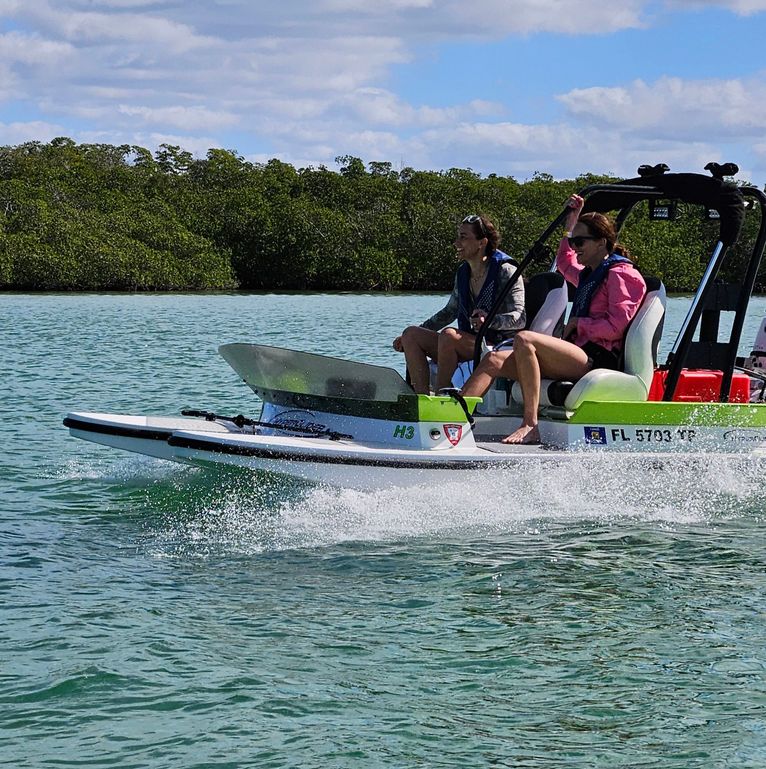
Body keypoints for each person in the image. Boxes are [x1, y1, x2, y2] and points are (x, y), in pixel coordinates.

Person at [460, 194, 647, 444]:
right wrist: (569, 227)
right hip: (576, 352)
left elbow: (616, 327)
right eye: (573, 241)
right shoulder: (590, 274)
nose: (575, 247)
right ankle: (454, 422)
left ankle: (530, 424)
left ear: (601, 243)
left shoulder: (622, 274)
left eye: (580, 241)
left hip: (598, 358)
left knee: (525, 339)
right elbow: (564, 262)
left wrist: (579, 324)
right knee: (493, 359)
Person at [393, 214, 525, 394]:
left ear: (482, 242)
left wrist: (489, 321)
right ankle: (421, 399)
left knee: (449, 335)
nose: (456, 243)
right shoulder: (463, 272)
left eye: (463, 237)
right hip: (466, 344)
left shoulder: (506, 271)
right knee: (411, 334)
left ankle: (442, 397)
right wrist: (415, 332)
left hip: (495, 347)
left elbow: (520, 318)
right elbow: (449, 312)